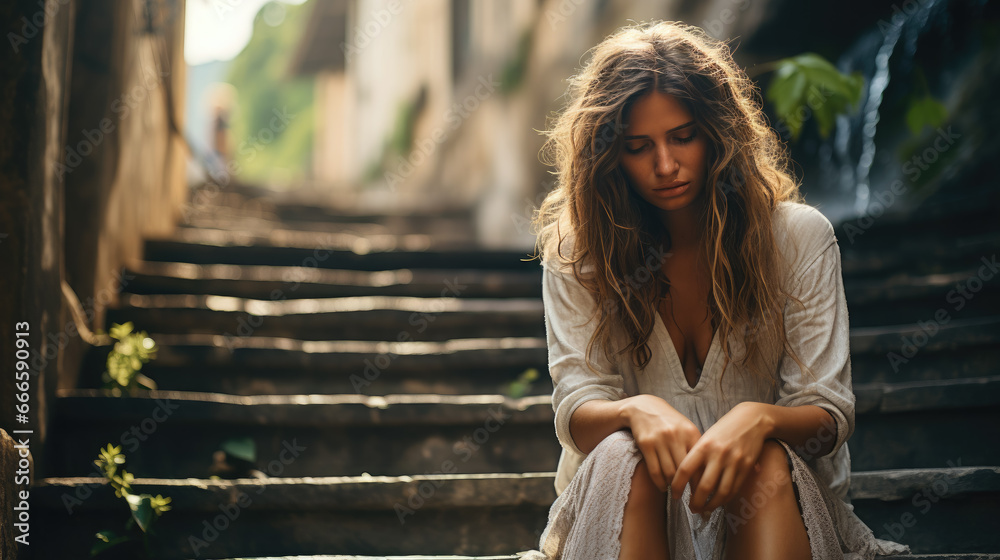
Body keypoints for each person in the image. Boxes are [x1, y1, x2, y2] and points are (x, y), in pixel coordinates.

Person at [519, 20, 911, 560]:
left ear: (718, 132)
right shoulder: (580, 253)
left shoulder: (798, 238)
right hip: (629, 504)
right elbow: (577, 407)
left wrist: (762, 418)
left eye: (683, 137)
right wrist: (636, 411)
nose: (665, 165)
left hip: (767, 508)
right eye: (638, 147)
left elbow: (828, 416)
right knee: (623, 453)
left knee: (765, 461)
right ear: (608, 157)